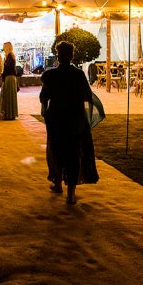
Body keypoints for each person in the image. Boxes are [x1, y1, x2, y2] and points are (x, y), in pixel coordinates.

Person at [40, 40, 100, 205]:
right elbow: (87, 96)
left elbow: (43, 97)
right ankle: (71, 194)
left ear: (57, 56)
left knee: (56, 151)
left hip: (57, 119)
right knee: (74, 154)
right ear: (72, 56)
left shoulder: (50, 75)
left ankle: (58, 183)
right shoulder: (78, 75)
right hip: (75, 119)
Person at [0, 41, 19, 120]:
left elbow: (7, 69)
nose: (3, 48)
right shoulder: (10, 56)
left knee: (6, 96)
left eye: (4, 47)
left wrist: (1, 75)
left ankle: (8, 114)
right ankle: (9, 114)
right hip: (10, 78)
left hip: (9, 78)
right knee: (8, 96)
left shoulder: (9, 57)